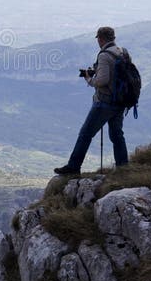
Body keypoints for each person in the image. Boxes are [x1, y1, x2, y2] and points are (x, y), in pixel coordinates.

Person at [54, 26, 129, 176]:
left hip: (105, 102)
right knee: (117, 135)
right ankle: (124, 168)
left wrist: (89, 78)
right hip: (120, 102)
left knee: (85, 134)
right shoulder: (122, 52)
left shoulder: (104, 55)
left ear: (100, 39)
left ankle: (73, 166)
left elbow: (102, 80)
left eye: (98, 39)